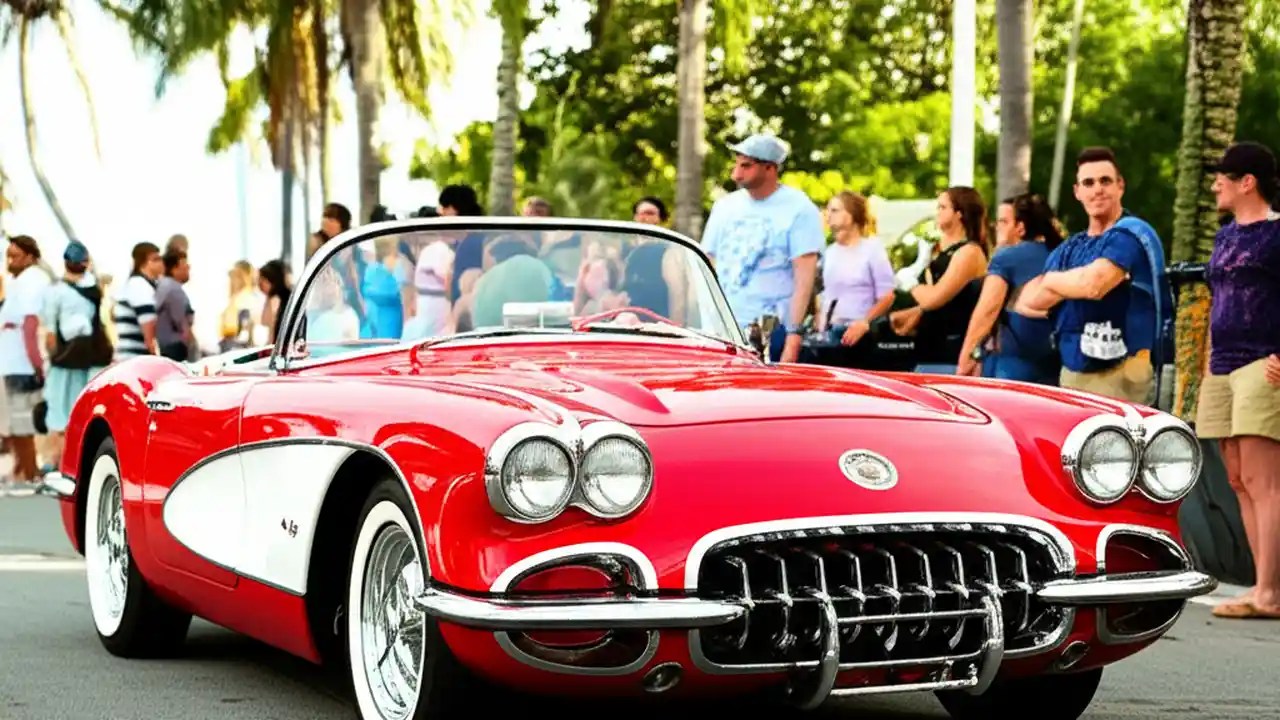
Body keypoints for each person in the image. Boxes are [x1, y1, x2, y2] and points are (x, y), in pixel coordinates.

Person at [1192, 141, 1280, 620]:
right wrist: (1207, 361)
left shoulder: (1277, 234)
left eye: (1223, 176)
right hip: (1221, 366)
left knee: (1265, 481)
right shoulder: (1225, 236)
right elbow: (1216, 301)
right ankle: (1260, 585)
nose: (1215, 183)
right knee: (1238, 479)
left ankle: (1270, 592)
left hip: (1262, 365)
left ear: (1248, 182)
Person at [1016, 147, 1169, 404]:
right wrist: (1071, 283)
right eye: (1089, 182)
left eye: (1105, 181)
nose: (1097, 189)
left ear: (1120, 186)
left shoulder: (1131, 235)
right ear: (1077, 192)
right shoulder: (1071, 246)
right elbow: (1028, 300)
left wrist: (1054, 282)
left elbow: (1094, 285)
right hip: (1072, 373)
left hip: (1123, 373)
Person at [701, 133, 823, 363]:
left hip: (772, 331)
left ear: (770, 168)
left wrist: (793, 337)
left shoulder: (800, 208)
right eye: (737, 164)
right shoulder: (725, 206)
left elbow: (805, 279)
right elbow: (706, 264)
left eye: (746, 165)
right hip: (721, 330)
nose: (737, 173)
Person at [957, 193, 1063, 383]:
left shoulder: (1007, 258)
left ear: (1020, 227)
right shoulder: (1065, 254)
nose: (997, 227)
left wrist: (967, 358)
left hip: (1016, 360)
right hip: (1059, 359)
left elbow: (987, 311)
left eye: (1004, 222)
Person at [889, 187, 989, 374]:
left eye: (943, 207)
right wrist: (913, 313)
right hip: (929, 348)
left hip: (951, 353)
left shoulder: (969, 252)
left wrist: (909, 282)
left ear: (959, 213)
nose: (937, 212)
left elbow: (934, 299)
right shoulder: (941, 252)